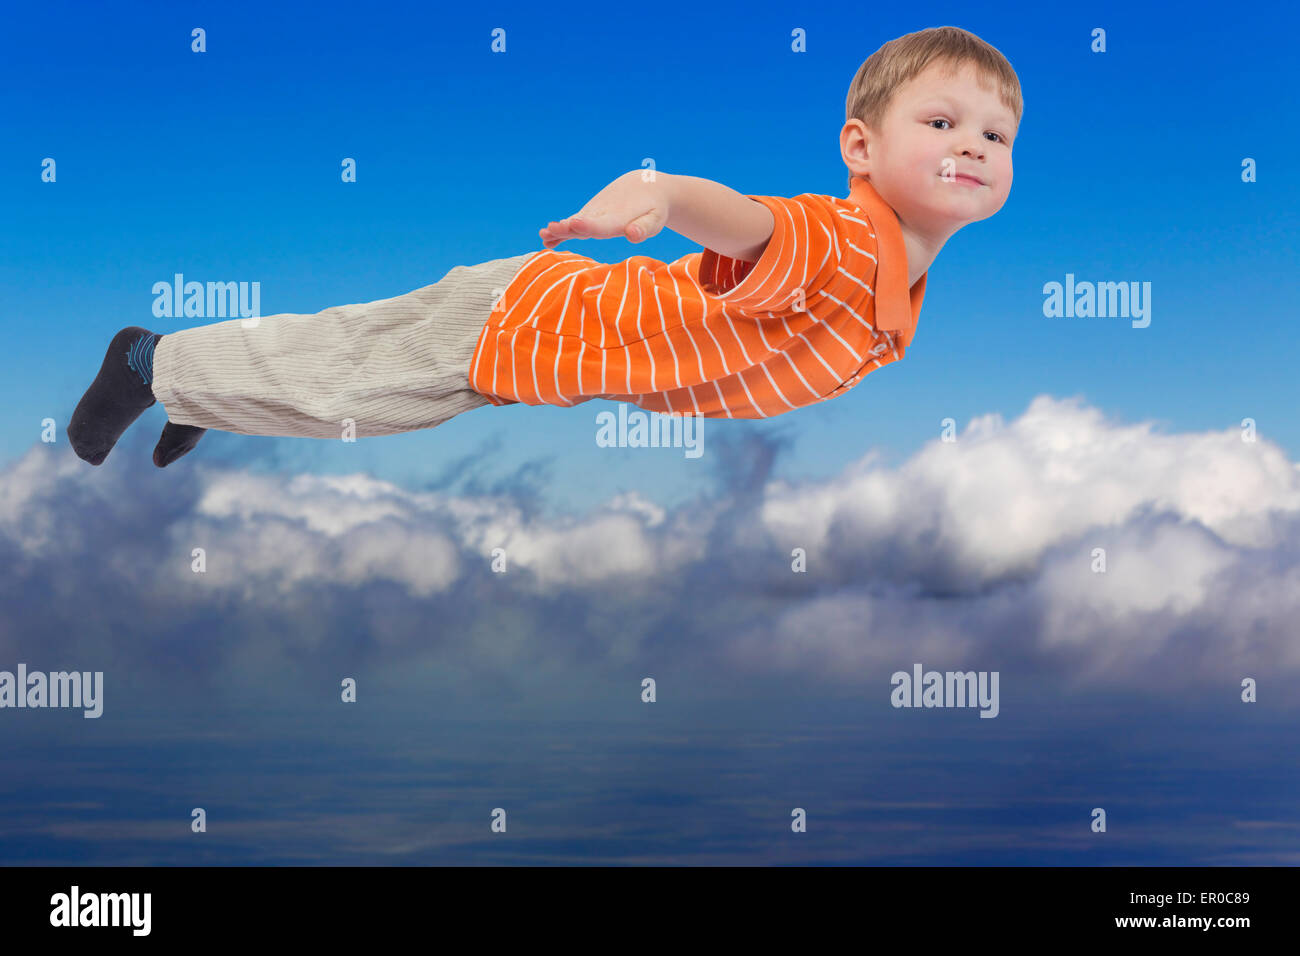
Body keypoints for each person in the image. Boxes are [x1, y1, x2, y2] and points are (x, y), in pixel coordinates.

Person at [69, 25, 1021, 468]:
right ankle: (147, 365)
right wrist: (666, 192)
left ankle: (204, 389)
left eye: (996, 134)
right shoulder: (849, 242)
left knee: (339, 379)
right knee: (346, 384)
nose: (972, 145)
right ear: (861, 147)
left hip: (536, 344)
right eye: (941, 121)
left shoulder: (899, 292)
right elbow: (759, 225)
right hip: (515, 327)